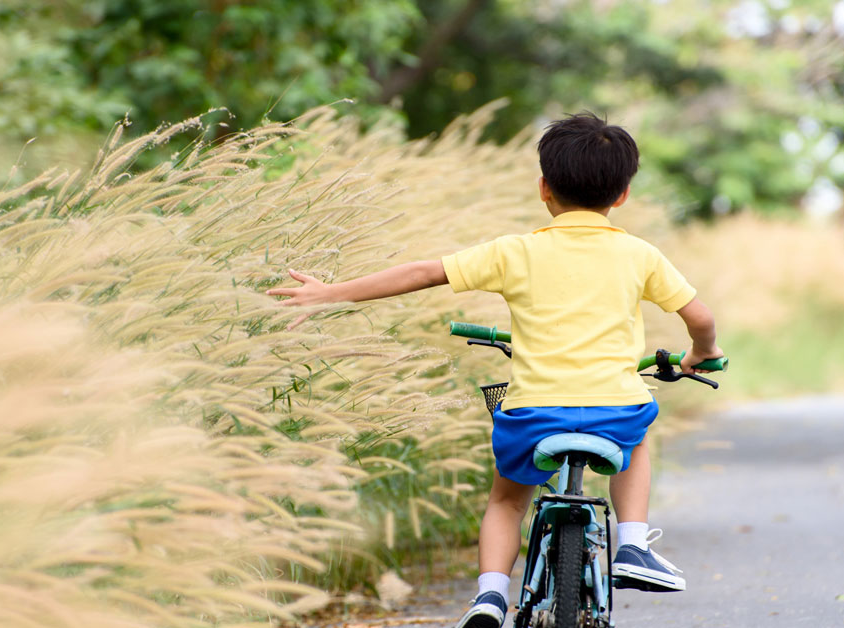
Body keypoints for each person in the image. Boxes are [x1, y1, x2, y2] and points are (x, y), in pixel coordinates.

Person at [265, 112, 723, 628]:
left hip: (532, 414)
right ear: (622, 195)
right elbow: (701, 318)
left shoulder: (515, 252)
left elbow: (423, 272)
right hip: (614, 408)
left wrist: (331, 293)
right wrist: (699, 353)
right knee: (638, 436)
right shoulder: (639, 255)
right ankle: (634, 544)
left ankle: (489, 597)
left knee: (506, 502)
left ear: (544, 188)